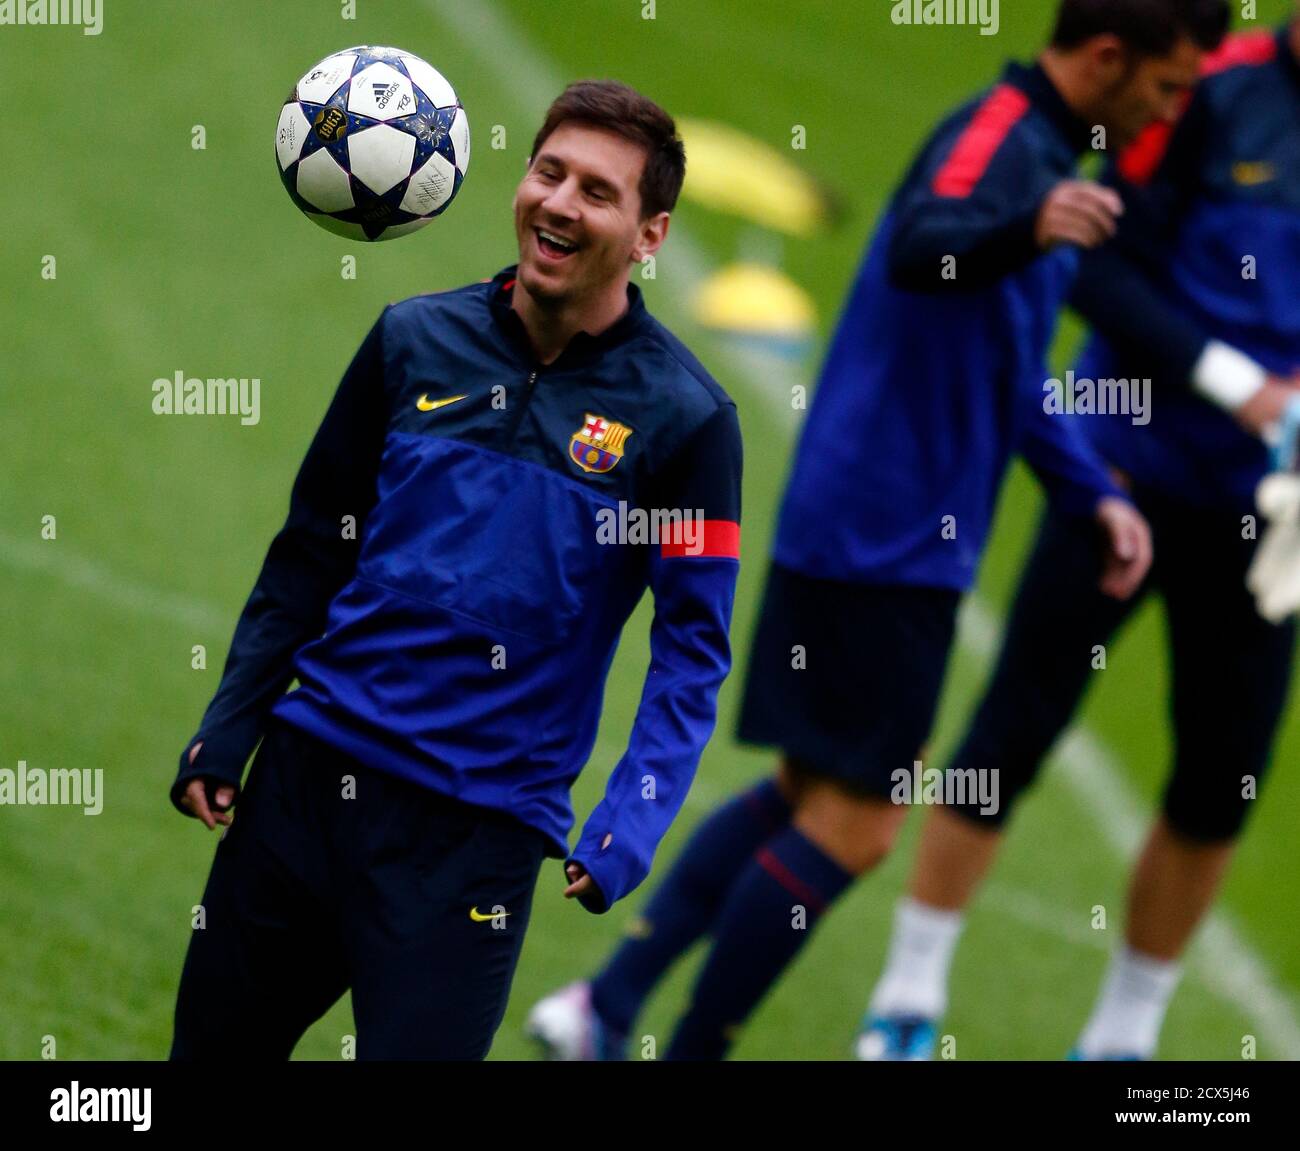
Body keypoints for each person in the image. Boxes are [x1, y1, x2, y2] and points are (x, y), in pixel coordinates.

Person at [528, 0, 1229, 1062]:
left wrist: (1092, 490)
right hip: (887, 530)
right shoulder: (1000, 140)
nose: (1173, 109)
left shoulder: (1042, 149)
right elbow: (921, 250)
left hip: (883, 519)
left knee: (807, 793)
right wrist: (1026, 227)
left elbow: (1011, 356)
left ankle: (602, 1006)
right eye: (1170, 85)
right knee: (858, 823)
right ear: (1105, 58)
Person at [168, 77, 743, 1060]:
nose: (558, 202)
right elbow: (312, 548)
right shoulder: (411, 339)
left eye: (596, 191)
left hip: (474, 841)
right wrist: (226, 727)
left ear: (650, 232)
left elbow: (693, 646)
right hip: (304, 789)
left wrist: (632, 820)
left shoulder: (687, 421)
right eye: (547, 172)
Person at [860, 14, 1300, 1062]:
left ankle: (1120, 1041)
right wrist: (1239, 387)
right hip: (1125, 462)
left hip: (1274, 507)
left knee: (1221, 772)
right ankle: (905, 996)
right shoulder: (1203, 86)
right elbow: (1098, 269)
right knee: (1014, 724)